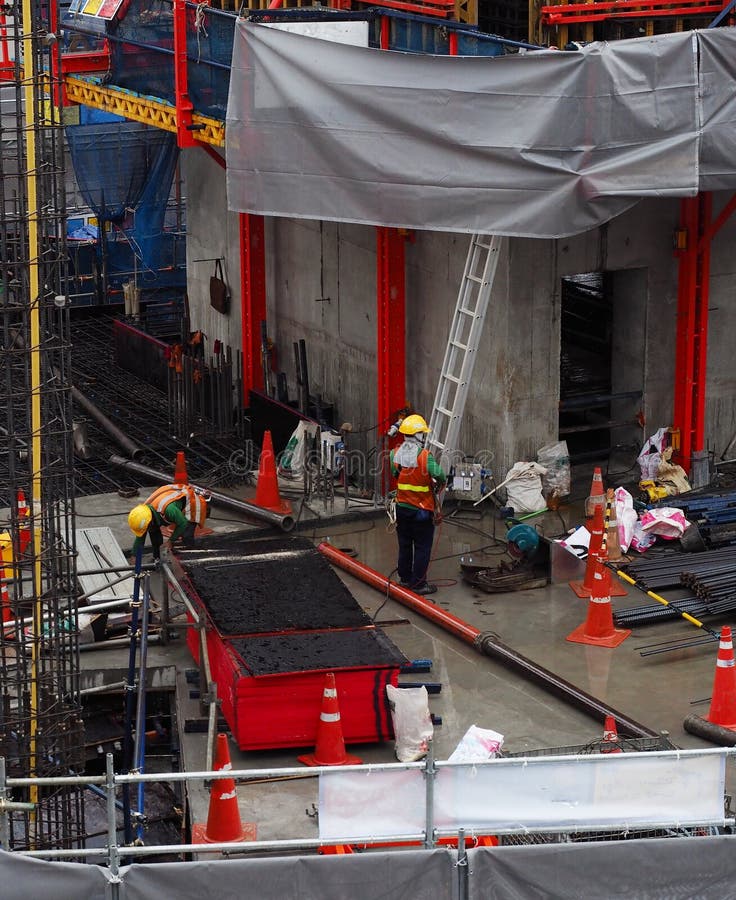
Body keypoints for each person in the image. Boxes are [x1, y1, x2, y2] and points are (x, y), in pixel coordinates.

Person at [390, 414, 446, 595]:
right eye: (422, 433)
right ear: (417, 435)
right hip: (421, 511)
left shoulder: (394, 453)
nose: (424, 436)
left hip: (402, 508)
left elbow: (396, 475)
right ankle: (419, 584)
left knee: (405, 544)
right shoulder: (425, 456)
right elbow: (440, 476)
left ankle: (405, 579)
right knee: (422, 547)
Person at [128, 483, 209, 561]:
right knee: (154, 531)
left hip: (192, 501)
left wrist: (171, 541)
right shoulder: (145, 515)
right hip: (172, 503)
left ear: (150, 521)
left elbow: (182, 523)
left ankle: (190, 557)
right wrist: (135, 555)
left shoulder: (168, 510)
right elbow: (140, 538)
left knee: (186, 535)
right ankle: (157, 558)